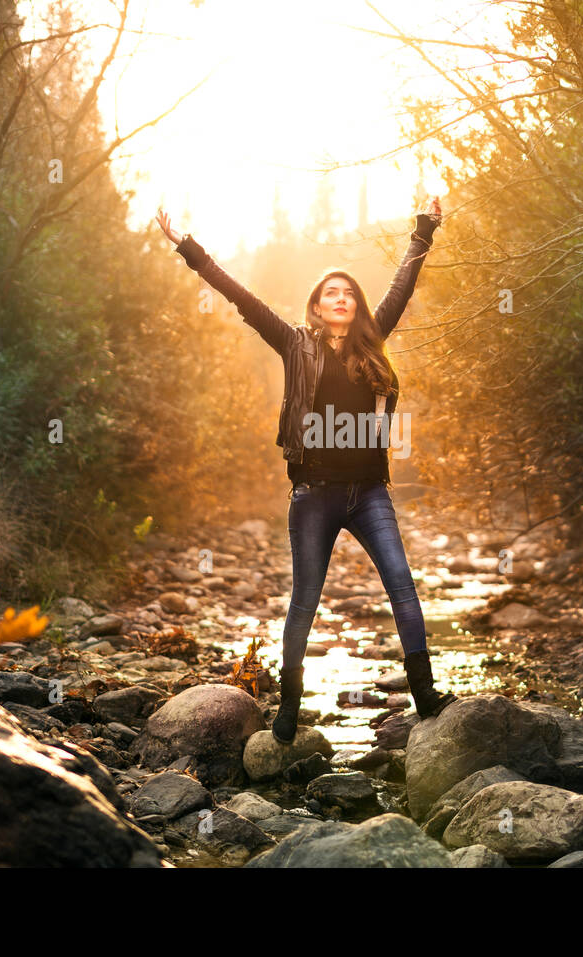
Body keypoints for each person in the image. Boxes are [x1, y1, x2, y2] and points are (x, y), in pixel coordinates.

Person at [156, 196, 458, 744]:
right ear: (317, 308)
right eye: (330, 294)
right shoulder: (293, 343)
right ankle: (289, 706)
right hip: (314, 494)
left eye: (348, 293)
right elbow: (239, 296)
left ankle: (425, 696)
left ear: (356, 306)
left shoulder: (373, 341)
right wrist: (189, 249)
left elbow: (400, 286)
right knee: (305, 600)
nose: (341, 299)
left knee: (404, 589)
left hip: (369, 493)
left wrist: (424, 230)